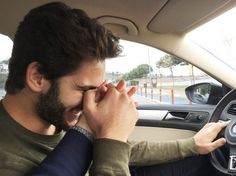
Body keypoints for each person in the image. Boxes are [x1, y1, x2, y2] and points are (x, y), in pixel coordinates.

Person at [0, 2, 228, 176]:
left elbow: (113, 149)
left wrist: (192, 145)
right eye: (84, 88)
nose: (93, 99)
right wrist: (105, 133)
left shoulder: (54, 120)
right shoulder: (8, 161)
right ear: (38, 77)